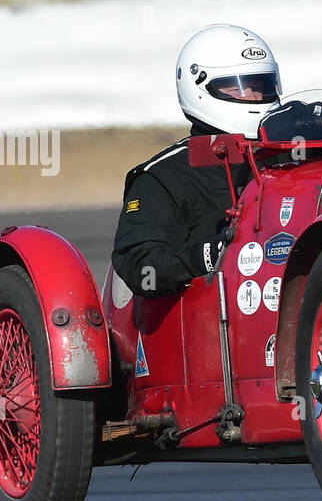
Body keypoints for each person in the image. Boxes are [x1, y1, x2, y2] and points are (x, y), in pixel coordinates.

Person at [112, 25, 282, 298]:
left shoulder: (286, 156)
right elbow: (141, 271)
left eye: (261, 85)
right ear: (201, 87)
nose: (255, 97)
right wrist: (207, 255)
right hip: (202, 324)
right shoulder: (162, 177)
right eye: (238, 86)